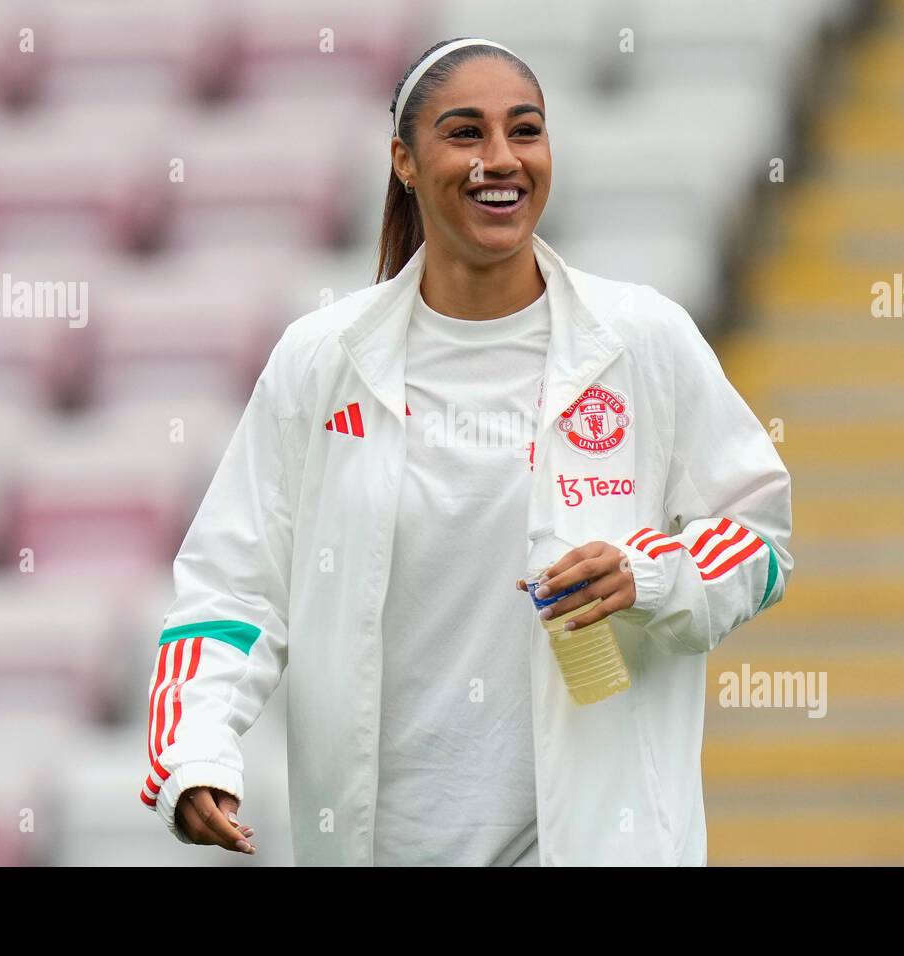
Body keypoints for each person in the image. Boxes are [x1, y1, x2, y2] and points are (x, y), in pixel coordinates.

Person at [140, 37, 793, 866]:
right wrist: (193, 752)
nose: (501, 160)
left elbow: (762, 541)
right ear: (403, 162)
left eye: (526, 131)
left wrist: (651, 574)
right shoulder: (321, 360)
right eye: (465, 133)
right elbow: (232, 590)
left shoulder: (642, 340)